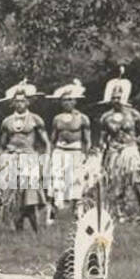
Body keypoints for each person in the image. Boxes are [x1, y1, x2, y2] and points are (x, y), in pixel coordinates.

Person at [98, 70, 140, 221]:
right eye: (113, 97)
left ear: (124, 97)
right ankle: (120, 213)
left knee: (137, 183)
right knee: (118, 184)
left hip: (131, 151)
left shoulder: (134, 114)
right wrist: (101, 154)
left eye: (119, 97)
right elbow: (103, 138)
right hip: (114, 153)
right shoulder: (106, 117)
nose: (116, 100)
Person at [0, 80, 49, 233]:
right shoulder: (7, 121)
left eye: (23, 101)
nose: (20, 104)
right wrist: (1, 160)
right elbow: (2, 143)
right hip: (11, 158)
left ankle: (36, 229)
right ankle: (17, 227)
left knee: (30, 194)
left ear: (28, 102)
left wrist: (45, 159)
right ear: (13, 103)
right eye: (17, 101)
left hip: (29, 158)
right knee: (14, 194)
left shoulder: (35, 119)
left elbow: (45, 142)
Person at [47, 80, 93, 221]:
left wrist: (86, 155)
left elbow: (87, 139)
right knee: (57, 181)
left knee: (76, 181)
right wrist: (50, 155)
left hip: (75, 151)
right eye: (65, 100)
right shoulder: (57, 119)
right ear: (61, 102)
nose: (67, 102)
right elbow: (53, 138)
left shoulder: (82, 118)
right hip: (60, 151)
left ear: (75, 102)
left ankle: (78, 211)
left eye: (70, 100)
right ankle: (52, 212)